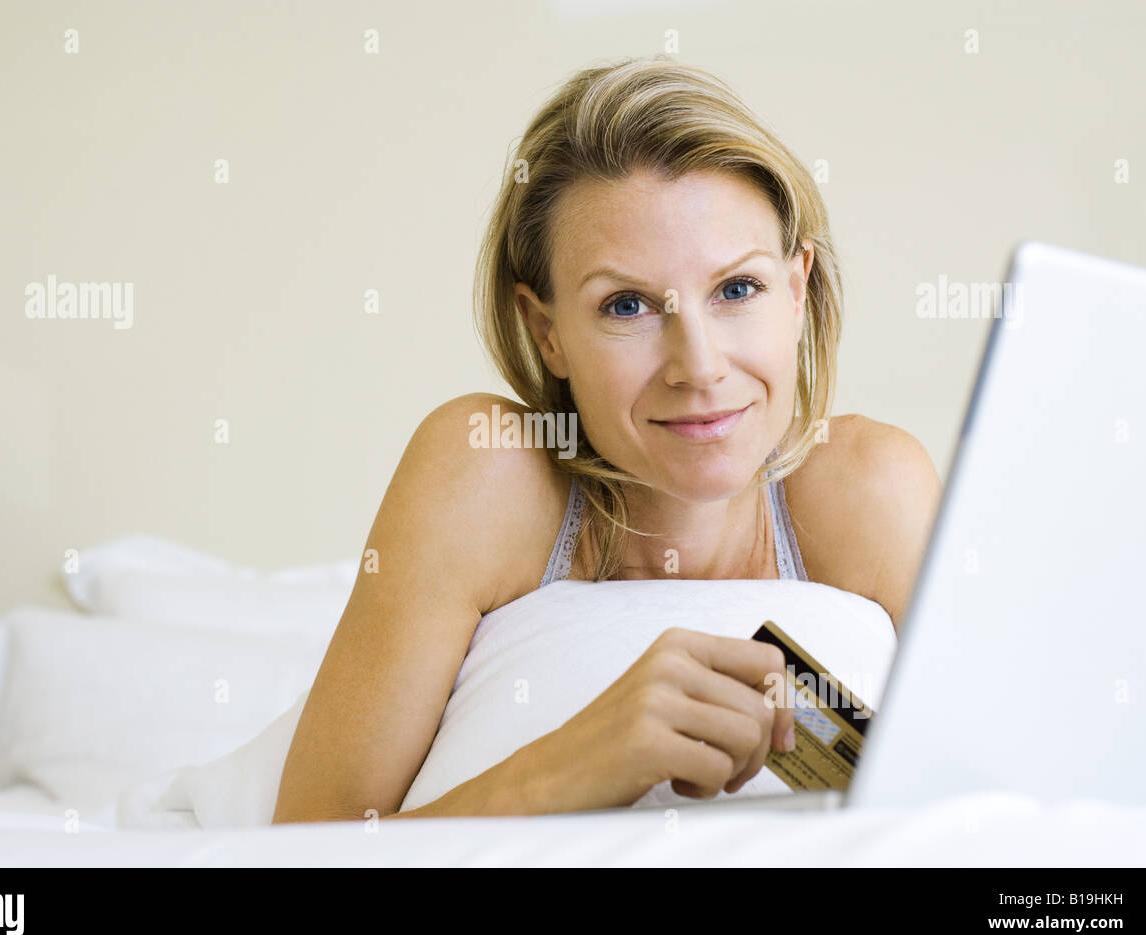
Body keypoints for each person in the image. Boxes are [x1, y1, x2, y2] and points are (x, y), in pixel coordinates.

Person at [273, 56, 941, 823]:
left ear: (796, 291)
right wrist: (571, 766)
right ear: (546, 332)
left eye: (737, 288)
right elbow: (305, 845)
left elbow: (1019, 805)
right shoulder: (484, 474)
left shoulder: (870, 488)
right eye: (627, 305)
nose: (699, 367)